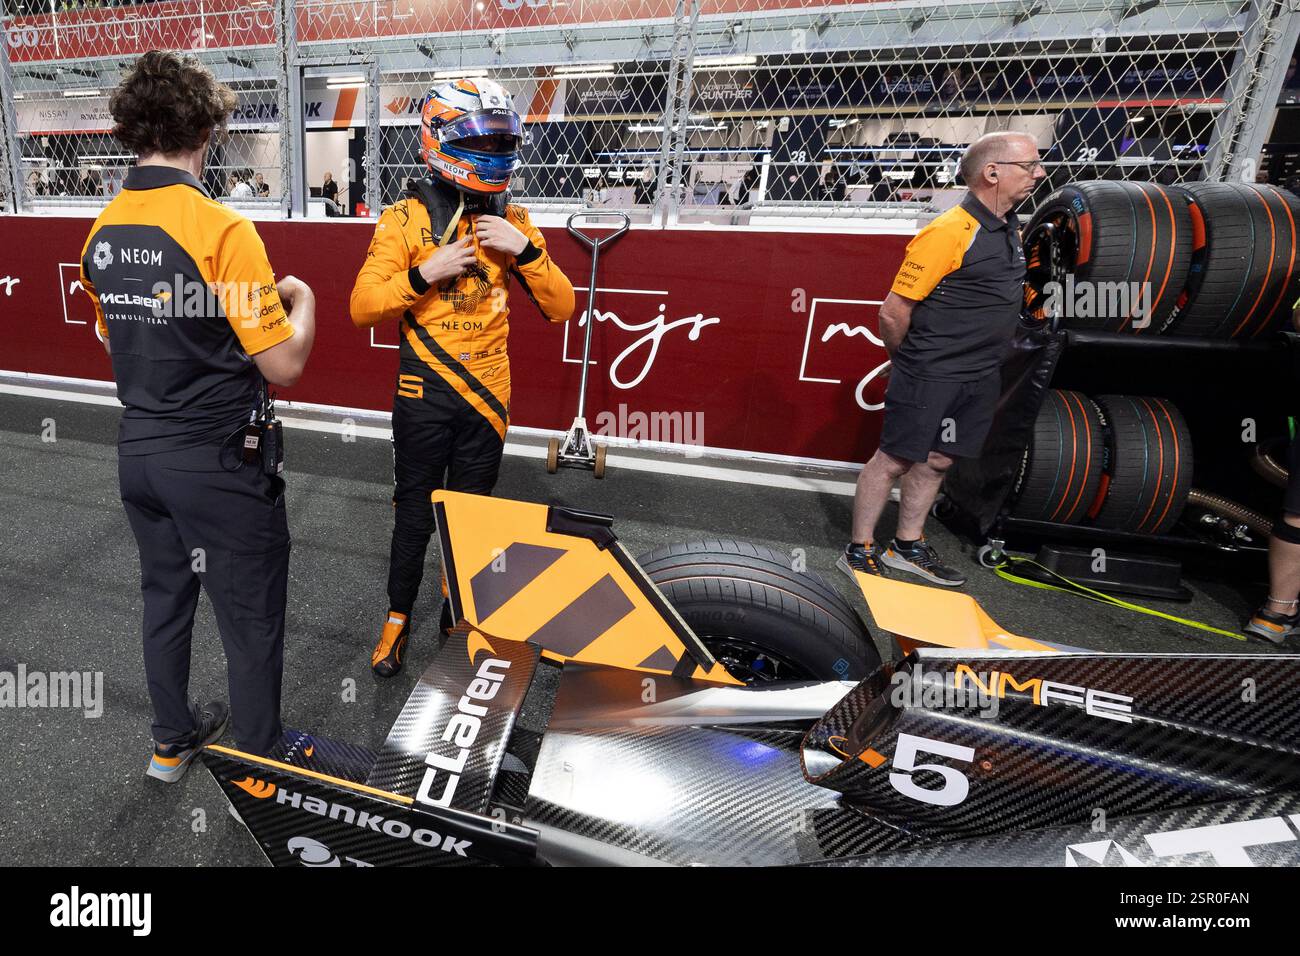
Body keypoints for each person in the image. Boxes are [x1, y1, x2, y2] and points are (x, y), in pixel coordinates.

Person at [79, 50, 317, 779]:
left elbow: (120, 331)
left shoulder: (100, 233)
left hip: (140, 454)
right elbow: (284, 365)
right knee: (249, 616)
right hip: (217, 461)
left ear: (129, 131)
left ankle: (169, 742)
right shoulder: (223, 230)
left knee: (165, 599)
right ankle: (260, 765)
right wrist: (301, 302)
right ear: (206, 132)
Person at [350, 77, 575, 677]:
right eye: (483, 141)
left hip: (487, 399)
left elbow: (563, 307)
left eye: (503, 142)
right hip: (423, 392)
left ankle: (459, 617)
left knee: (472, 517)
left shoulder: (516, 220)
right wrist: (425, 272)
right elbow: (362, 306)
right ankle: (397, 617)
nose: (496, 155)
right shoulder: (402, 219)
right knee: (415, 515)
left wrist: (524, 251)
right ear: (440, 137)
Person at [839, 131, 1045, 587]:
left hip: (979, 376)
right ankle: (859, 549)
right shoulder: (950, 231)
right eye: (1030, 166)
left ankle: (906, 546)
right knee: (893, 459)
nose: (1040, 173)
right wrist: (911, 362)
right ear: (993, 173)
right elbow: (893, 312)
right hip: (931, 373)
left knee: (938, 460)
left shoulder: (1011, 225)